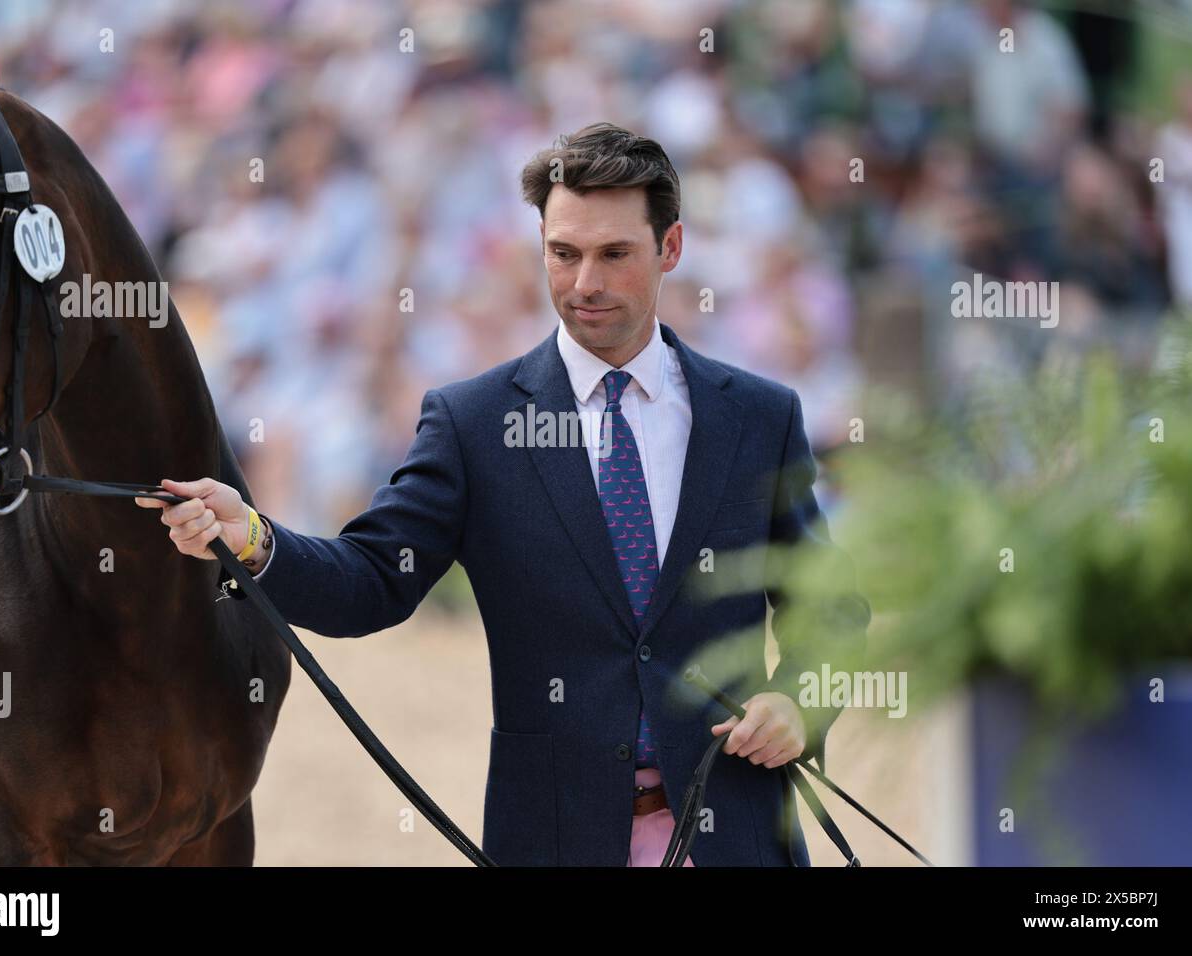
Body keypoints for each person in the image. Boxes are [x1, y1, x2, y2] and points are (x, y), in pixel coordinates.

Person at [137, 123, 868, 866]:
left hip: (735, 834)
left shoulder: (758, 416)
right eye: (564, 253)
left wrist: (798, 703)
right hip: (553, 841)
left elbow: (832, 609)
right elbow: (371, 582)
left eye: (615, 254)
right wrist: (256, 538)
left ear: (670, 249)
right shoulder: (473, 424)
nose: (585, 282)